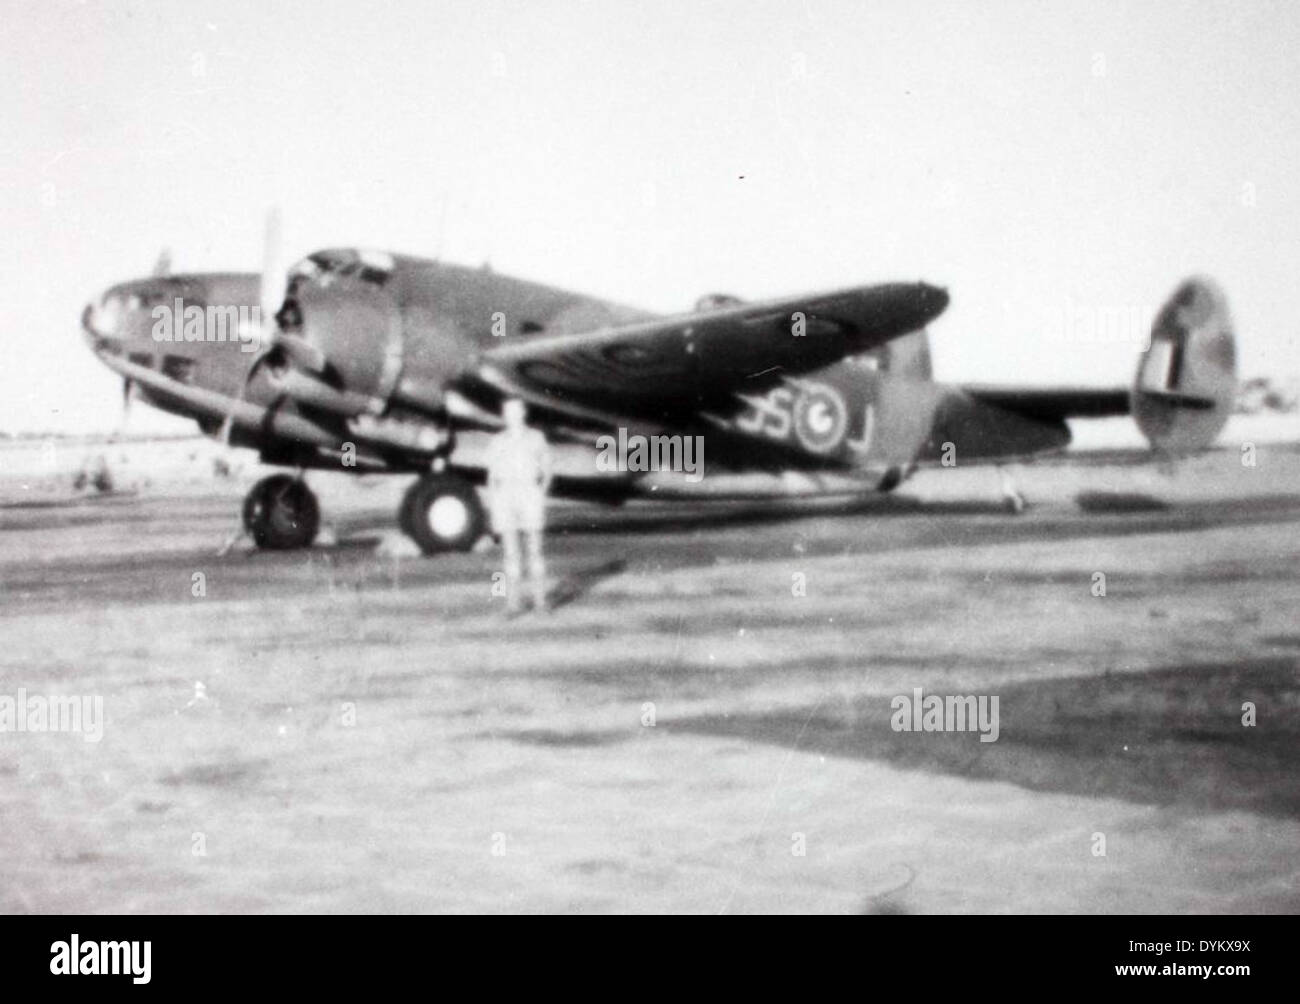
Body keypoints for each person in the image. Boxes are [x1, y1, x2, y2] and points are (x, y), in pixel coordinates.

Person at [484, 398, 553, 614]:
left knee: (535, 550)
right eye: (507, 412)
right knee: (510, 552)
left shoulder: (536, 438)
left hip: (529, 493)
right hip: (506, 495)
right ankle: (512, 604)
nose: (511, 416)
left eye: (515, 411)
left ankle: (541, 602)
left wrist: (540, 493)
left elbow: (548, 469)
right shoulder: (497, 441)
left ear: (523, 413)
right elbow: (491, 476)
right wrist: (494, 501)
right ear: (504, 415)